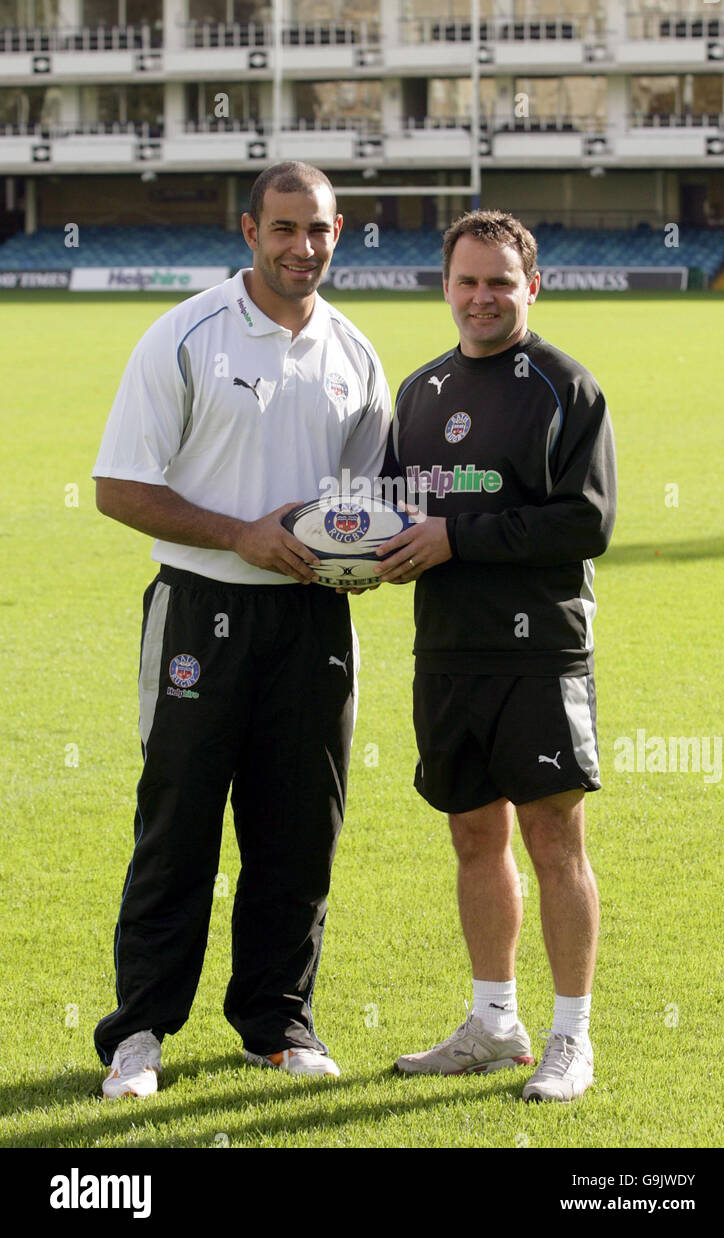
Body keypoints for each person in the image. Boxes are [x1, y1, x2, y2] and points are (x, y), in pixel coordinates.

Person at [92, 161, 391, 1096]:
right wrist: (242, 535)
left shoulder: (354, 351)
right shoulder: (186, 335)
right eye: (284, 228)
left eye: (320, 231)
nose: (303, 248)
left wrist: (359, 548)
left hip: (313, 618)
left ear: (339, 232)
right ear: (248, 229)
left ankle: (278, 1022)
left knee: (300, 827)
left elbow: (367, 494)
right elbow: (119, 488)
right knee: (178, 824)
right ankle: (139, 1032)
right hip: (199, 610)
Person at [375, 210, 616, 1103]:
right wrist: (364, 555)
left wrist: (453, 540)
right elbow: (403, 513)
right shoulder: (420, 392)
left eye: (499, 283)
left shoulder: (563, 388)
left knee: (553, 840)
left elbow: (585, 522)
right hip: (445, 651)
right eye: (467, 282)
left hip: (540, 653)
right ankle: (492, 1021)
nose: (481, 298)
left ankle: (570, 1037)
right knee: (473, 834)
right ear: (445, 287)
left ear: (531, 287)